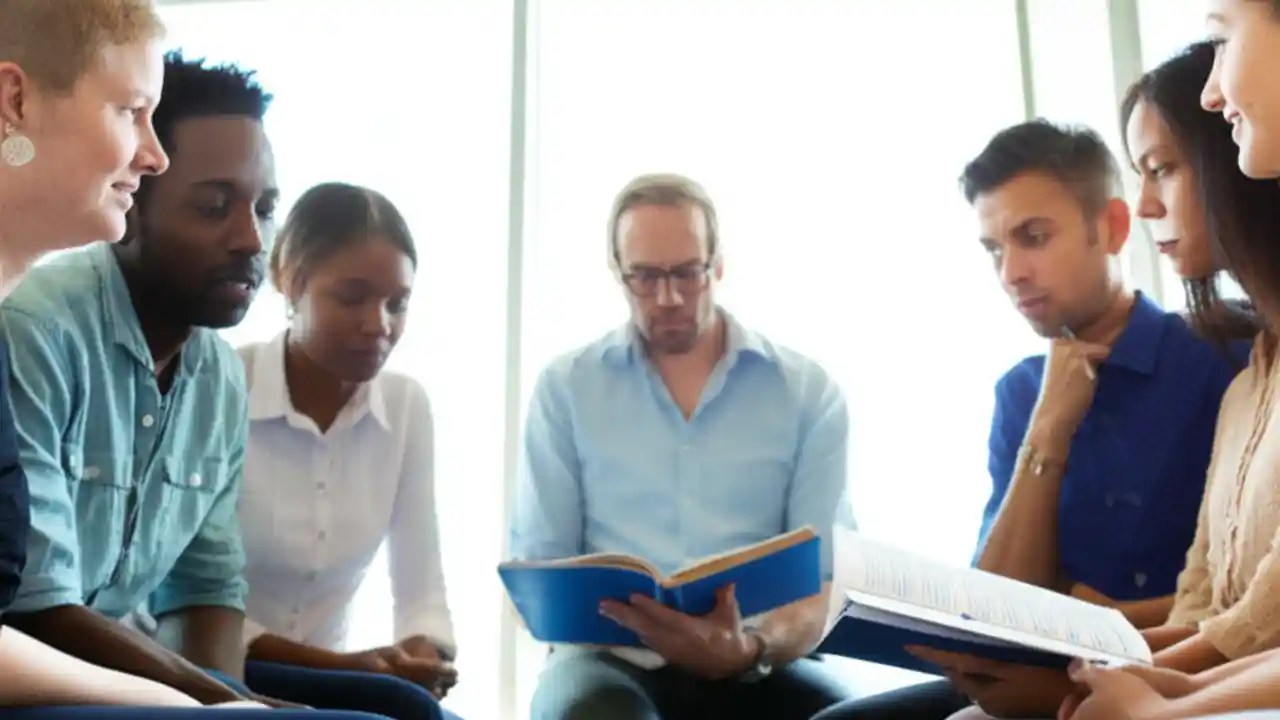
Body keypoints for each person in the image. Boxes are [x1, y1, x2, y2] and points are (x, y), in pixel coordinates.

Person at [0, 4, 378, 719]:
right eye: (129, 111)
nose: (151, 156)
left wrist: (216, 703)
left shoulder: (215, 373)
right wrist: (212, 705)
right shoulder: (32, 326)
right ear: (14, 102)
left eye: (265, 207)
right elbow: (31, 616)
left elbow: (206, 587)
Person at [815, 119, 1244, 720]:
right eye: (995, 249)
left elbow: (1246, 598)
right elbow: (990, 613)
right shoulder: (1022, 392)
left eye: (1033, 237)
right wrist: (1048, 430)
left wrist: (1112, 620)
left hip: (1179, 674)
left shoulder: (1222, 360)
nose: (1010, 272)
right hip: (1028, 686)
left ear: (1113, 228)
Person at [509, 173, 854, 720]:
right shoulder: (566, 388)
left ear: (717, 265)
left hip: (762, 660)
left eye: (686, 274)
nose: (667, 297)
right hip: (608, 663)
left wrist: (753, 648)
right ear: (618, 275)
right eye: (645, 277)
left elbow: (830, 581)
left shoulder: (806, 392)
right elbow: (539, 572)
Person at [236, 182, 464, 720]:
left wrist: (422, 657)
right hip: (227, 669)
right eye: (353, 297)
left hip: (351, 683)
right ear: (290, 281)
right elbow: (181, 603)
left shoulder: (406, 406)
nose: (378, 324)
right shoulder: (224, 386)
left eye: (397, 303)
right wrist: (355, 671)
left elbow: (421, 585)